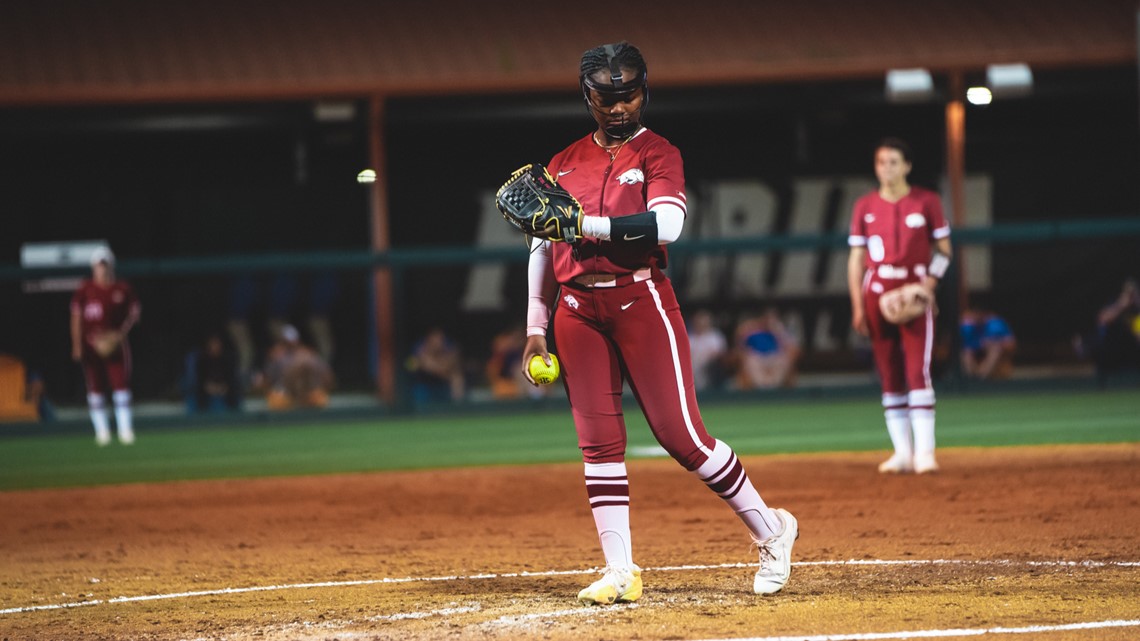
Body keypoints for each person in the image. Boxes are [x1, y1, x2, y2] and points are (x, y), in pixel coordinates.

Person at [518, 42, 798, 605]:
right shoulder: (561, 162)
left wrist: (584, 224)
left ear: (645, 92)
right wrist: (534, 327)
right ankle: (620, 570)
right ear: (588, 98)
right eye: (606, 98)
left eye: (629, 95)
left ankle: (772, 531)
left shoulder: (659, 153)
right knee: (598, 446)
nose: (619, 107)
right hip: (576, 311)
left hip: (639, 300)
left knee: (683, 436)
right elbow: (541, 249)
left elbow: (666, 225)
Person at [847, 137, 952, 474]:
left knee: (917, 370)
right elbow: (856, 258)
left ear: (907, 166)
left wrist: (929, 285)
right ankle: (902, 453)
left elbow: (945, 250)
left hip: (915, 291)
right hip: (876, 291)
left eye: (893, 162)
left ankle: (925, 453)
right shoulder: (865, 205)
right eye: (881, 162)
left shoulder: (926, 201)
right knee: (889, 372)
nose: (886, 169)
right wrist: (857, 305)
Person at [70, 246, 140, 445]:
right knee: (95, 387)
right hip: (91, 344)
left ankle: (125, 430)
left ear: (111, 266)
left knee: (121, 385)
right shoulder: (85, 289)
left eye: (105, 264)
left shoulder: (122, 289)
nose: (102, 269)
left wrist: (118, 335)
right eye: (99, 265)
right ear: (93, 267)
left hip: (116, 345)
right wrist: (76, 344)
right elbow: (75, 318)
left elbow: (134, 314)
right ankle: (102, 432)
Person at [257, 324, 334, 410]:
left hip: (308, 392)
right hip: (286, 393)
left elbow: (327, 376)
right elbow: (266, 380)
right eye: (286, 341)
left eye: (292, 340)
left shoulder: (308, 355)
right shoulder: (276, 357)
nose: (290, 343)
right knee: (276, 401)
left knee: (320, 400)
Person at [1086, 277, 1140, 379]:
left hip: (1133, 349)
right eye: (1129, 294)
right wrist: (1121, 305)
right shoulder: (1117, 305)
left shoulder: (1137, 309)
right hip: (1114, 349)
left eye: (1133, 294)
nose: (1131, 298)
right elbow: (1102, 319)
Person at [734, 308, 801, 390]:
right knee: (752, 362)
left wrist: (778, 330)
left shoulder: (779, 331)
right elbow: (740, 344)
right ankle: (762, 387)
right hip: (756, 356)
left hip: (775, 356)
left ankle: (773, 387)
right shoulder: (750, 330)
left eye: (772, 318)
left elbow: (791, 346)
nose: (769, 320)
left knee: (782, 361)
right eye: (767, 318)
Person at [407, 327, 466, 406]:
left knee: (457, 378)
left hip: (443, 383)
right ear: (429, 340)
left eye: (441, 340)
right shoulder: (419, 348)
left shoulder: (448, 347)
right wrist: (436, 366)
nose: (439, 343)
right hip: (423, 385)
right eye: (436, 339)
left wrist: (440, 366)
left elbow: (451, 363)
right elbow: (421, 365)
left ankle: (458, 407)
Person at [186, 332, 243, 413]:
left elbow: (231, 376)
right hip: (206, 387)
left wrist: (224, 387)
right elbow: (200, 378)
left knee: (234, 390)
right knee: (198, 392)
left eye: (217, 344)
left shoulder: (227, 359)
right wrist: (209, 387)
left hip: (224, 387)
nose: (215, 346)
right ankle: (201, 417)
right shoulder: (202, 359)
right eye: (213, 344)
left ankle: (233, 417)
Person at [959, 308, 1016, 380]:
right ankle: (971, 377)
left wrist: (994, 344)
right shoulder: (966, 326)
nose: (977, 316)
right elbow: (959, 344)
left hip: (991, 352)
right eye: (975, 313)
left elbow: (1011, 342)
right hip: (972, 353)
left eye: (980, 313)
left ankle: (981, 377)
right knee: (966, 352)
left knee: (995, 350)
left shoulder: (996, 325)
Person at [687, 310, 730, 391]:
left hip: (709, 366)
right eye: (698, 321)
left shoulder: (715, 336)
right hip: (692, 365)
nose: (701, 324)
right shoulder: (689, 337)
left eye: (703, 321)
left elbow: (720, 354)